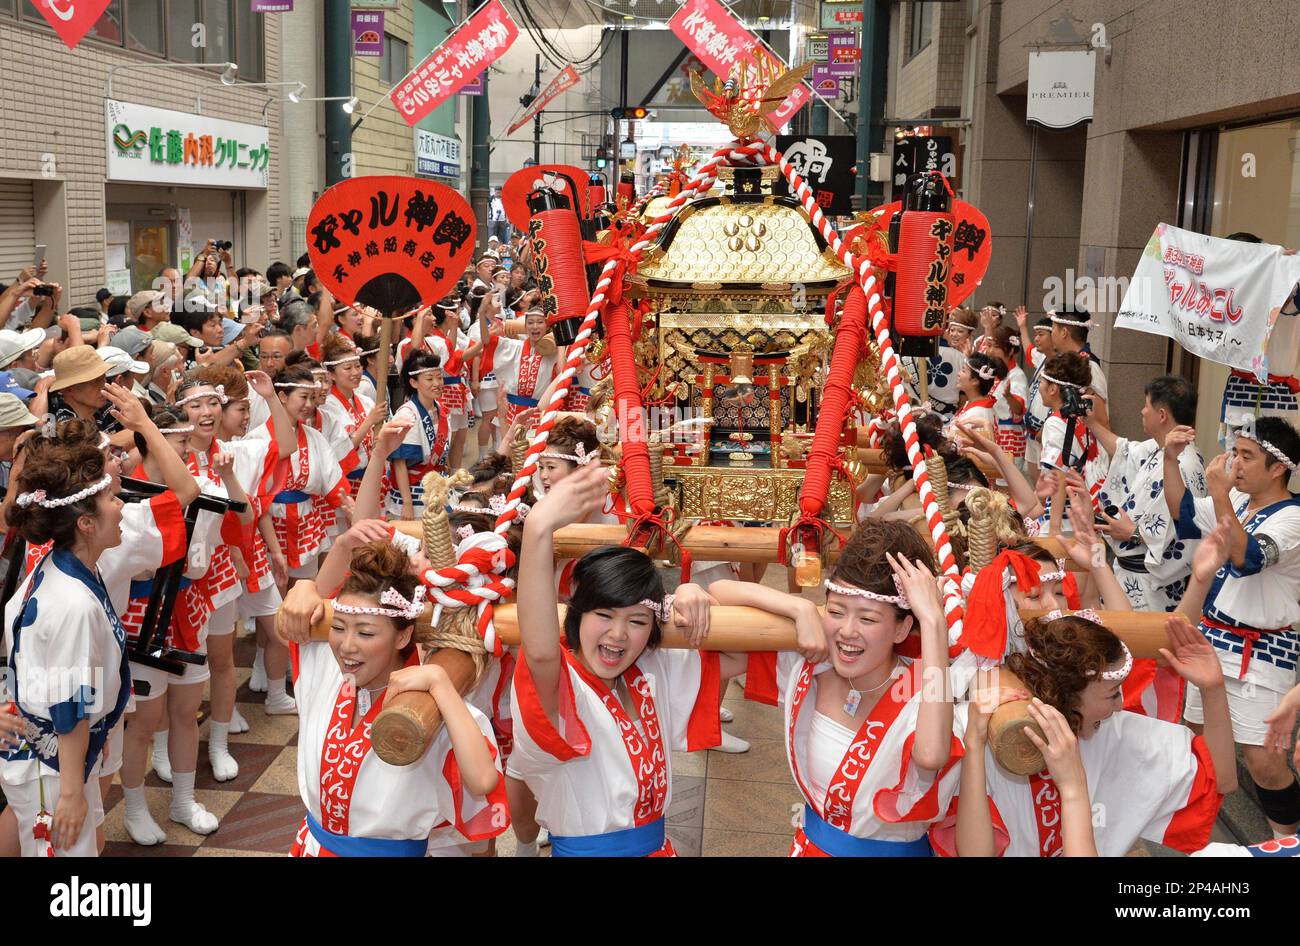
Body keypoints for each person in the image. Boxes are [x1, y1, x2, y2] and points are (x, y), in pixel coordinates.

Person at [509, 460, 734, 856]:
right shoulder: (563, 685)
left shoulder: (647, 671)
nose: (617, 634)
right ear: (576, 615)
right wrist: (538, 529)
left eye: (636, 620)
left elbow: (739, 655)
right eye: (604, 615)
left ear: (653, 627)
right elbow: (541, 652)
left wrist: (694, 593)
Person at [708, 520, 962, 856]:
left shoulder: (931, 686)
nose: (847, 631)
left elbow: (930, 755)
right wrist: (798, 606)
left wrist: (933, 621)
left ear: (903, 629)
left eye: (868, 619)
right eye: (837, 611)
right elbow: (720, 591)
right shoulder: (812, 668)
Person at [276, 539, 507, 857]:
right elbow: (290, 621)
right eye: (339, 627)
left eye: (366, 633)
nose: (347, 646)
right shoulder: (328, 672)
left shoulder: (429, 707)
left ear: (403, 636)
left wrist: (440, 682)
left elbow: (483, 781)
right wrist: (305, 585)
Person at [937, 612, 1234, 857]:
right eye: (1112, 694)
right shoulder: (990, 727)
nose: (1120, 705)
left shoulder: (1113, 733)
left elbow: (1219, 779)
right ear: (1068, 692)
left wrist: (1213, 689)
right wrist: (974, 746)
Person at [1165, 415, 1300, 838]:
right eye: (1235, 453)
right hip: (1213, 637)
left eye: (1247, 456)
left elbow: (1248, 559)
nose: (1235, 464)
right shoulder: (1238, 502)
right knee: (1198, 739)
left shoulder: (1293, 517)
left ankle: (1285, 840)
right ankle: (1194, 825)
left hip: (1264, 649)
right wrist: (1171, 460)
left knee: (1264, 760)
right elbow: (1182, 513)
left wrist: (1221, 493)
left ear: (1278, 467)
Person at [1, 438, 131, 856]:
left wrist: (97, 728)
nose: (122, 503)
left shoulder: (54, 569)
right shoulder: (71, 602)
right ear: (86, 524)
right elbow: (69, 702)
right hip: (53, 768)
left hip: (50, 753)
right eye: (111, 497)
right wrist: (72, 792)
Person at [319, 335, 386, 501]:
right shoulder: (328, 407)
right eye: (347, 368)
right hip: (348, 479)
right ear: (332, 374)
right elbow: (343, 449)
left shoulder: (366, 401)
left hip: (371, 476)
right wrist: (370, 420)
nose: (355, 372)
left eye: (357, 366)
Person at [386, 350, 449, 521]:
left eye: (439, 377)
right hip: (414, 492)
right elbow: (399, 462)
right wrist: (407, 503)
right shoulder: (407, 414)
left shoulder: (440, 408)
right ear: (414, 382)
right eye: (429, 379)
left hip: (438, 485)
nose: (437, 383)